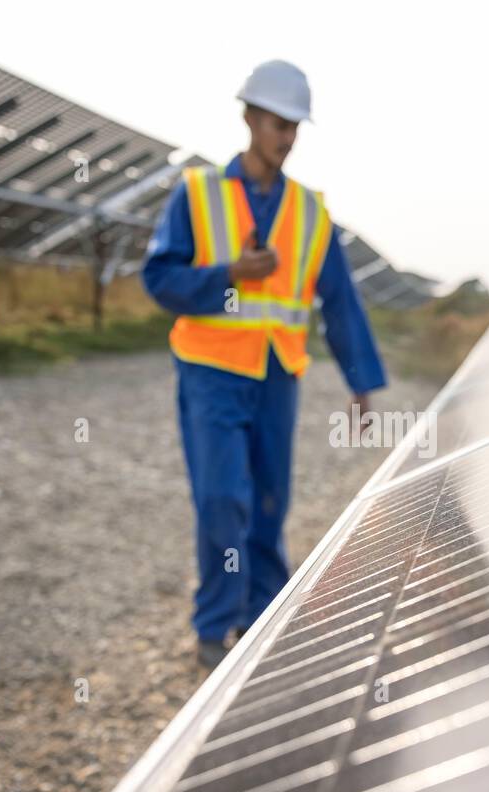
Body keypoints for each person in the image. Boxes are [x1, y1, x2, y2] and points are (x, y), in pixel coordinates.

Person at [142, 60, 387, 670]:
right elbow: (160, 278)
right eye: (277, 122)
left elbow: (341, 300)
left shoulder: (311, 212)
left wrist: (361, 384)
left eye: (294, 127)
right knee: (224, 497)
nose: (285, 136)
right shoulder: (196, 194)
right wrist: (228, 274)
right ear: (249, 117)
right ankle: (215, 622)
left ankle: (263, 619)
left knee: (271, 498)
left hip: (278, 373)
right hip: (212, 368)